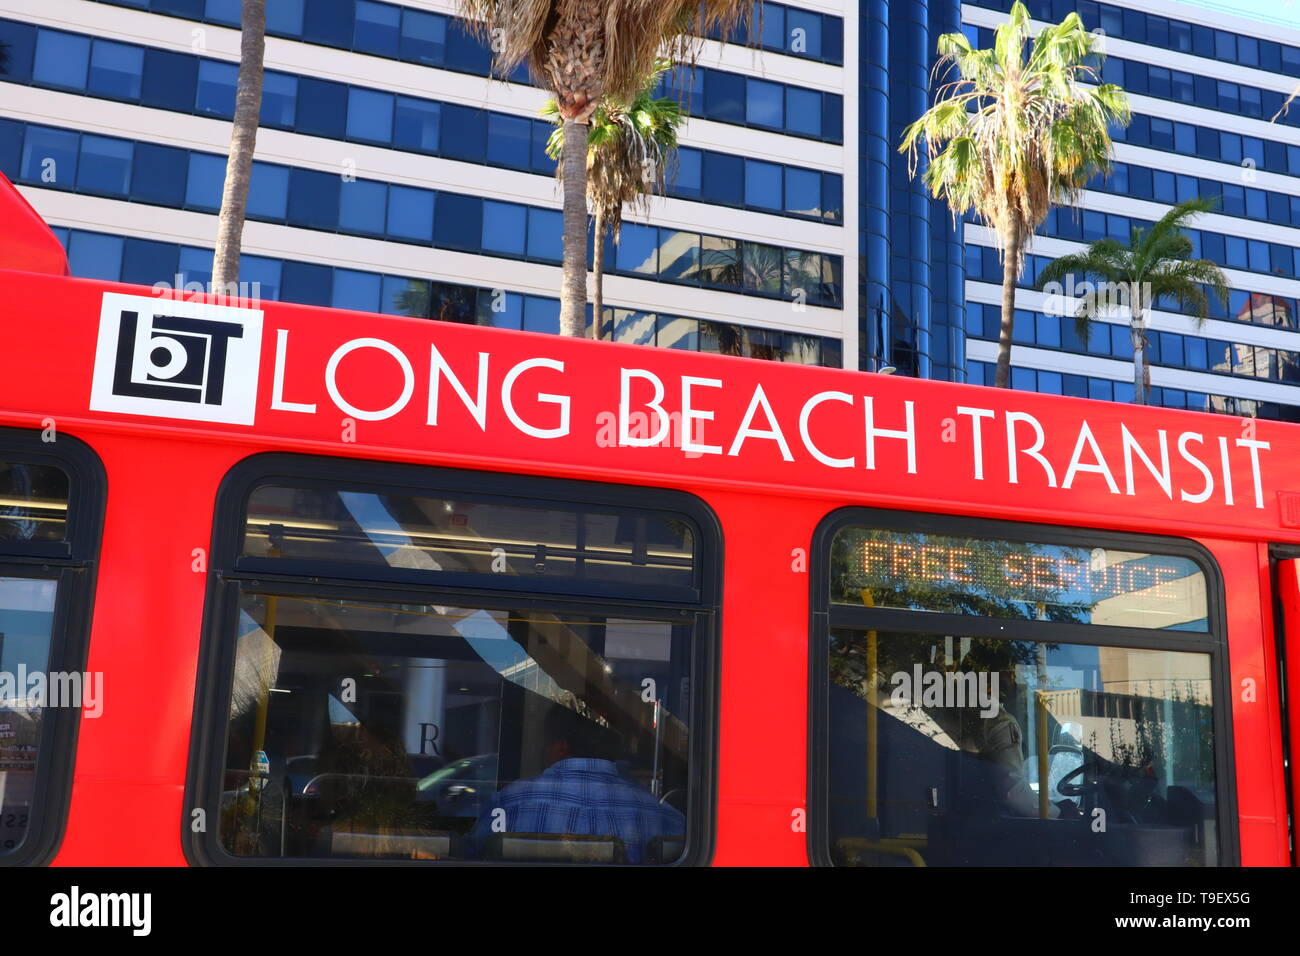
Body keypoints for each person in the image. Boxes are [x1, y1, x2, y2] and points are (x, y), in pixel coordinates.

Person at [470, 704, 684, 863]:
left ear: (560, 746)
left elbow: (471, 854)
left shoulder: (509, 802)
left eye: (546, 743)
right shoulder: (661, 814)